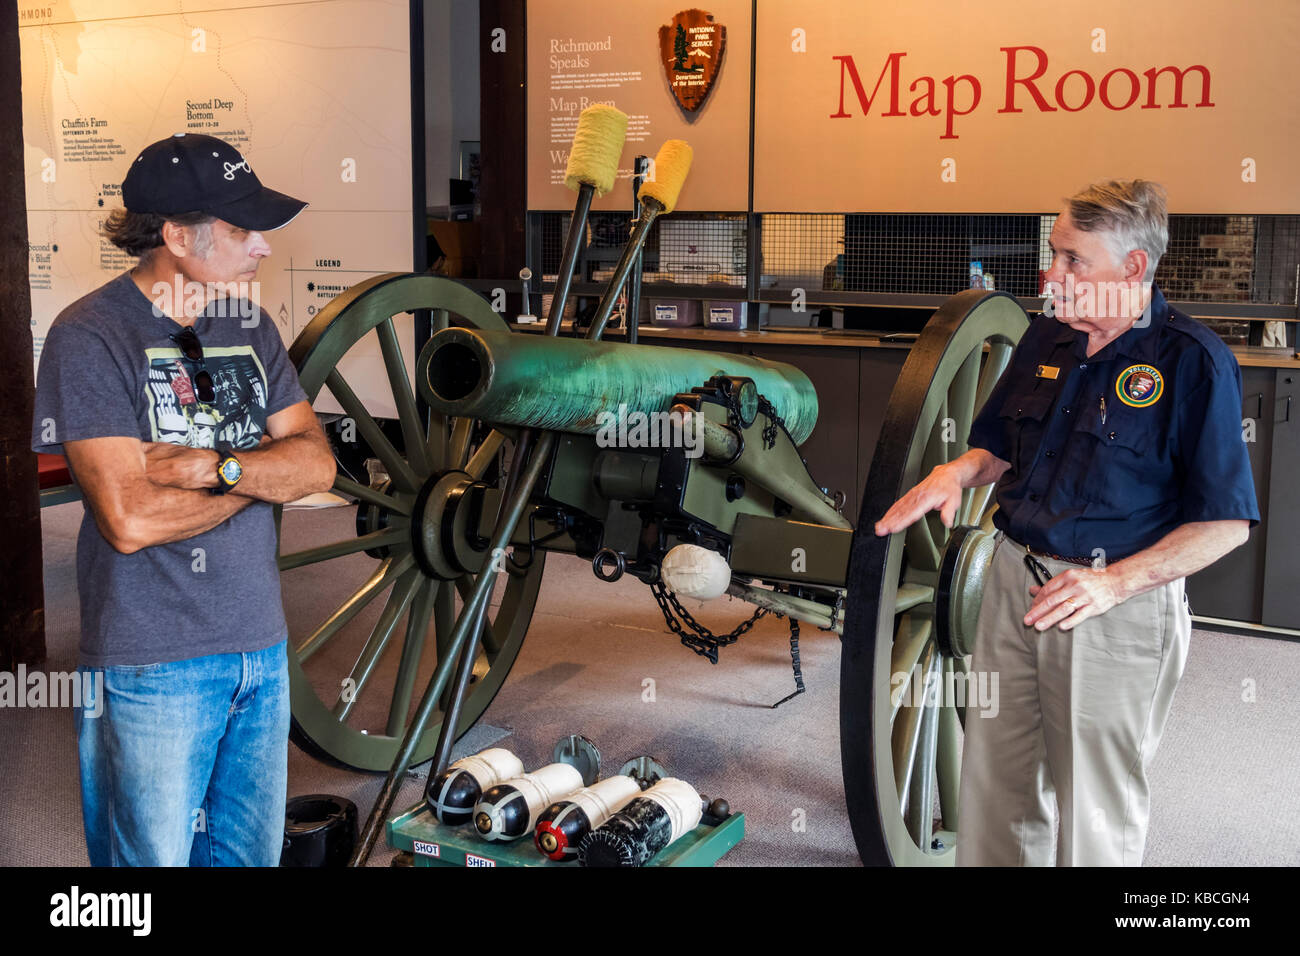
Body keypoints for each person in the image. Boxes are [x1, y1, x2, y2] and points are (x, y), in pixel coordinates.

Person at [875, 180, 1258, 866]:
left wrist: (1113, 585)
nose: (1052, 273)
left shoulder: (1194, 363)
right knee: (998, 789)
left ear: (1133, 268)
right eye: (1055, 253)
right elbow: (997, 447)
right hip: (1010, 586)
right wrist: (956, 472)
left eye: (1073, 258)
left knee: (1094, 814)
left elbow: (1226, 524)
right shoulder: (1047, 335)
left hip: (1111, 608)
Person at [31, 133, 336, 866]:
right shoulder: (90, 337)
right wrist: (259, 477)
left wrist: (213, 469)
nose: (261, 247)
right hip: (151, 662)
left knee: (245, 859)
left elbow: (318, 468)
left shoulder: (250, 327)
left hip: (261, 650)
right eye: (239, 229)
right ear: (174, 235)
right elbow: (131, 521)